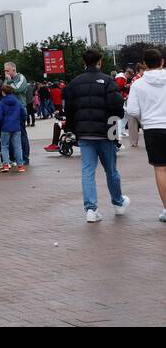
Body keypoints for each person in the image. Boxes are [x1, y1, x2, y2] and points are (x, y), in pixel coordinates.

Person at [66, 49, 128, 222]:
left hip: (84, 133)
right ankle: (118, 202)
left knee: (87, 171)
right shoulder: (109, 81)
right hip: (106, 131)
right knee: (111, 170)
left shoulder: (75, 83)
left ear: (84, 62)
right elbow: (117, 106)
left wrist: (73, 129)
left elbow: (69, 110)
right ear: (99, 62)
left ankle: (91, 209)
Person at [123, 47, 166, 223]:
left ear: (145, 64)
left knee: (161, 168)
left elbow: (132, 109)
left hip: (153, 128)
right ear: (162, 61)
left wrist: (145, 116)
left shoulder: (138, 84)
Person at [4, 62, 32, 167]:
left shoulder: (21, 78)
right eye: (5, 71)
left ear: (13, 70)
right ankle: (13, 157)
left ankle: (25, 158)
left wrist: (9, 81)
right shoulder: (7, 80)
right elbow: (3, 90)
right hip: (9, 110)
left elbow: (17, 89)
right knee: (10, 135)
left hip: (19, 110)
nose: (6, 73)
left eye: (7, 70)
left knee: (21, 134)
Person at [0, 83, 26, 173]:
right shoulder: (17, 101)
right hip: (16, 126)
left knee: (4, 146)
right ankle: (20, 166)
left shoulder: (1, 102)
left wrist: (1, 123)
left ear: (3, 92)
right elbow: (23, 113)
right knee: (18, 146)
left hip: (5, 127)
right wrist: (21, 122)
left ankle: (5, 164)